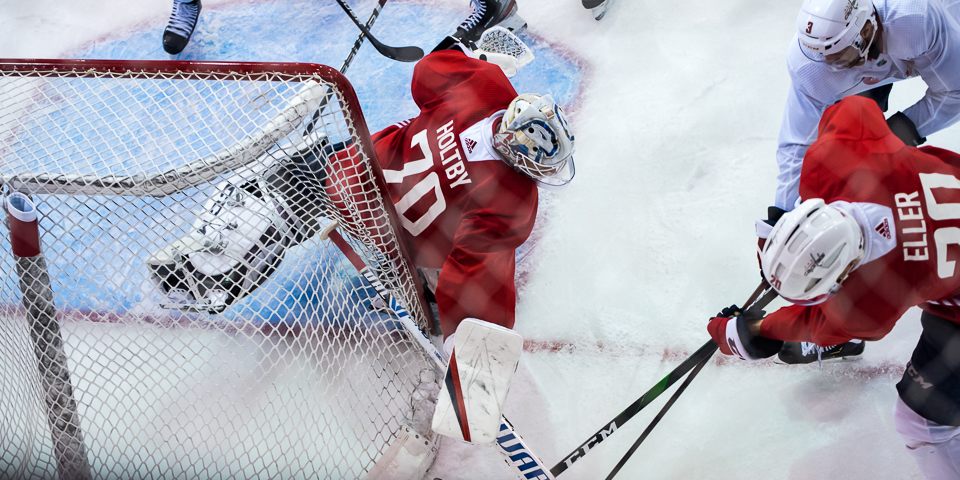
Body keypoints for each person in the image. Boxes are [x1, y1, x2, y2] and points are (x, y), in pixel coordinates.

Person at [709, 95, 960, 479]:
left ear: (844, 276)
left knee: (923, 426)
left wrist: (749, 331)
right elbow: (855, 107)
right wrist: (892, 150)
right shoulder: (838, 156)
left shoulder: (869, 304)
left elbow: (814, 324)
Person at [760, 0, 960, 362]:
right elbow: (797, 144)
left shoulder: (916, 21)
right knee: (846, 145)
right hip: (888, 53)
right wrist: (779, 217)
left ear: (867, 29)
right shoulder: (814, 65)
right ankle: (837, 309)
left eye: (837, 56)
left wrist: (900, 132)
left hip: (941, 31)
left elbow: (955, 92)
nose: (828, 66)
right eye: (824, 58)